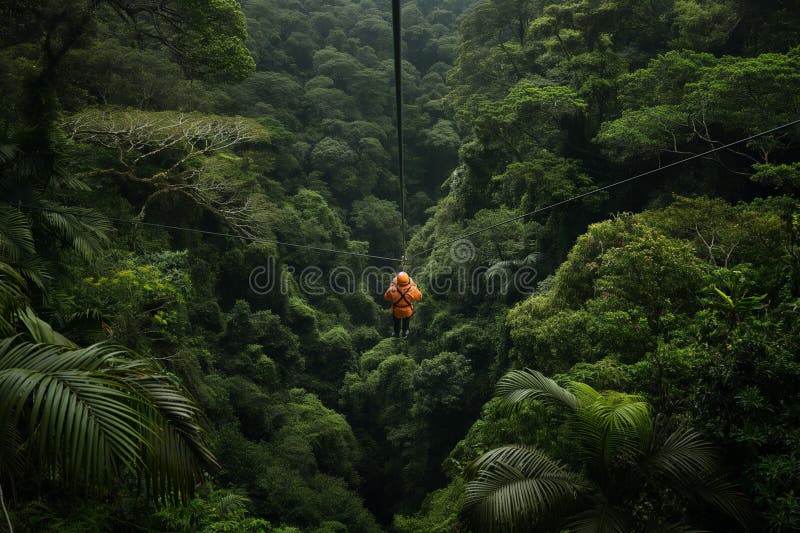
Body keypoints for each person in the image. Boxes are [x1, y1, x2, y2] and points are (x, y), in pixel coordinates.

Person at [383, 271, 422, 338]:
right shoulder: (413, 289)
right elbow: (419, 297)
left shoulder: (392, 289)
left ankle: (396, 333)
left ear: (398, 282)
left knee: (396, 322)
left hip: (396, 311)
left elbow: (386, 297)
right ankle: (405, 332)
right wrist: (414, 285)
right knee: (406, 322)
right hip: (407, 311)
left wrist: (392, 285)